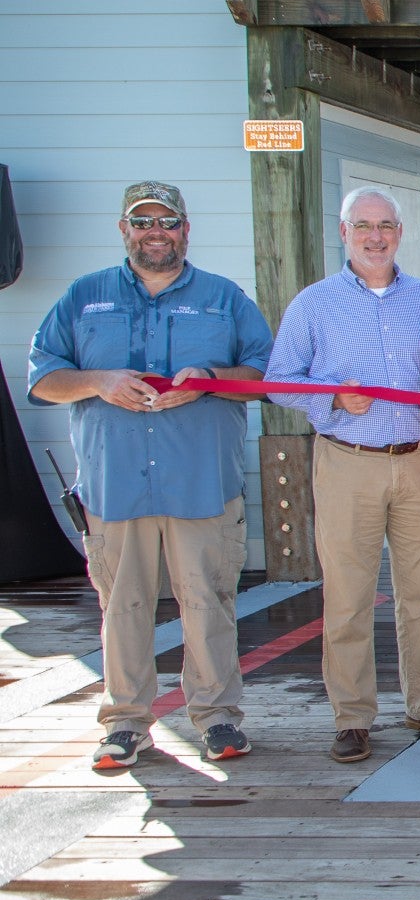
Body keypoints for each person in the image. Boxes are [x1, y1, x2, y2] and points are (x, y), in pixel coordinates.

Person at [27, 181, 273, 770]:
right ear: (124, 230)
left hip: (202, 485)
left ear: (186, 229)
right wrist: (99, 381)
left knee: (208, 604)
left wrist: (208, 380)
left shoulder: (224, 298)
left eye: (166, 221)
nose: (154, 232)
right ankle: (126, 723)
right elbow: (43, 378)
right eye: (142, 221)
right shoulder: (84, 297)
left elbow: (266, 373)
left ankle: (217, 718)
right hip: (115, 486)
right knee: (123, 607)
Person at [266, 185, 420, 764]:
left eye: (386, 226)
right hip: (348, 462)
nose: (376, 237)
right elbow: (279, 380)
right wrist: (330, 396)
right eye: (364, 226)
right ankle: (352, 716)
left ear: (400, 233)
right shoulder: (314, 303)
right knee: (348, 596)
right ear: (344, 232)